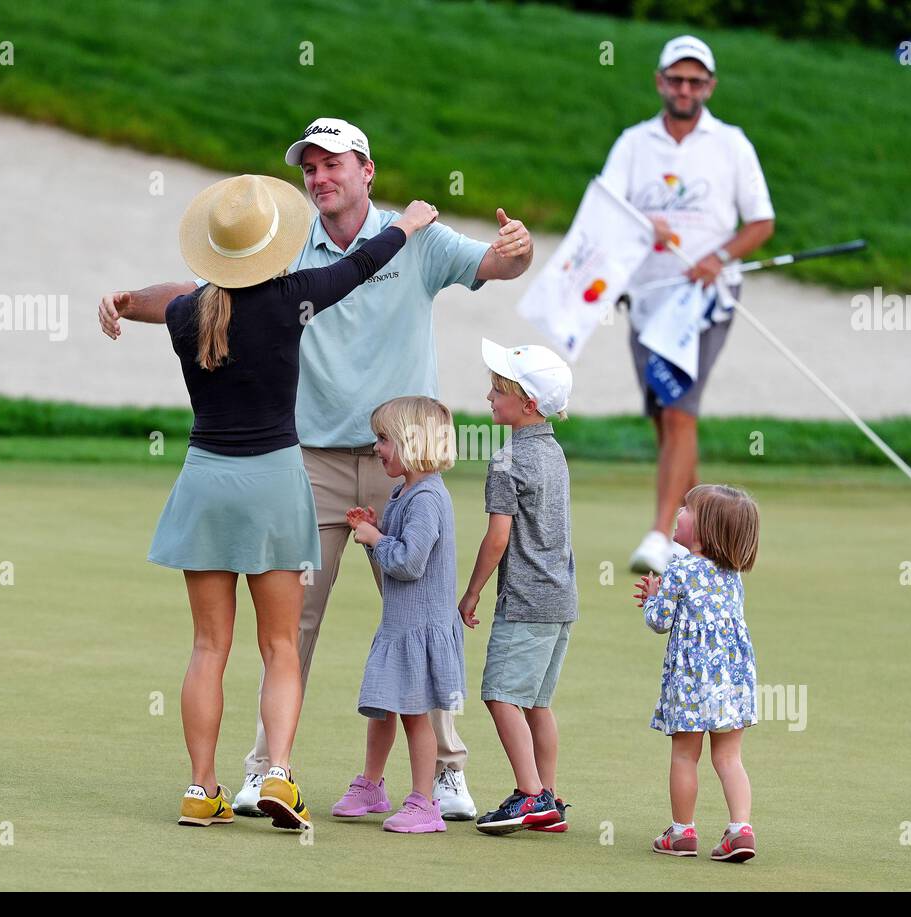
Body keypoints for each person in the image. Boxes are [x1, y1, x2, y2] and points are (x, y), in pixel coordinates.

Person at [99, 117, 534, 821]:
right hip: (308, 462)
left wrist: (519, 249)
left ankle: (445, 770)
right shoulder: (286, 240)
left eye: (333, 164)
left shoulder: (416, 239)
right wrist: (126, 297)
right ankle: (266, 770)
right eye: (310, 168)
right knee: (292, 623)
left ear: (367, 169)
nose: (319, 176)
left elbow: (494, 264)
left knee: (421, 615)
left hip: (405, 466)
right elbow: (207, 288)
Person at [111, 169, 438, 830]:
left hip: (205, 480)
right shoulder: (294, 297)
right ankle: (278, 773)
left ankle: (202, 788)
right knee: (281, 643)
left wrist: (120, 301)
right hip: (271, 481)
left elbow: (171, 299)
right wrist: (407, 223)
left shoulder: (186, 315)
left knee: (208, 646)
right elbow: (359, 264)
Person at [598, 36, 776, 574]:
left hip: (705, 300)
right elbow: (605, 208)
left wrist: (718, 256)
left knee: (680, 410)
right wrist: (639, 225)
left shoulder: (732, 143)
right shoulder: (634, 143)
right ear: (660, 81)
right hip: (648, 297)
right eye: (676, 79)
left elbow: (761, 222)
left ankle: (659, 535)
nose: (685, 89)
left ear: (710, 87)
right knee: (663, 417)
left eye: (696, 81)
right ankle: (698, 533)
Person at [459, 340, 578, 835]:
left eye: (498, 389)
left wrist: (471, 592)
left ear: (527, 402)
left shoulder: (507, 461)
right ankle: (546, 798)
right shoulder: (554, 451)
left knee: (499, 695)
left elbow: (497, 538)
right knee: (536, 702)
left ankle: (531, 794)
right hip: (561, 599)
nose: (489, 397)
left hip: (526, 598)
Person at [331, 397, 465, 834]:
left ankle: (424, 802)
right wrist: (376, 531)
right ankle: (371, 785)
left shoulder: (428, 497)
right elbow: (402, 545)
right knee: (382, 709)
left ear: (412, 442)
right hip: (399, 626)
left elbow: (410, 563)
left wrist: (376, 539)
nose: (377, 448)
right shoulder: (404, 490)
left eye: (384, 439)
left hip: (418, 628)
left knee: (412, 715)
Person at [633, 483, 760, 862]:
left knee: (685, 755)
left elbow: (660, 621)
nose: (679, 514)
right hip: (732, 678)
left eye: (687, 511)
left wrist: (652, 598)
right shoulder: (732, 574)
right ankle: (741, 829)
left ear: (705, 530)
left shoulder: (679, 569)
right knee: (729, 757)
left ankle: (682, 831)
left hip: (689, 681)